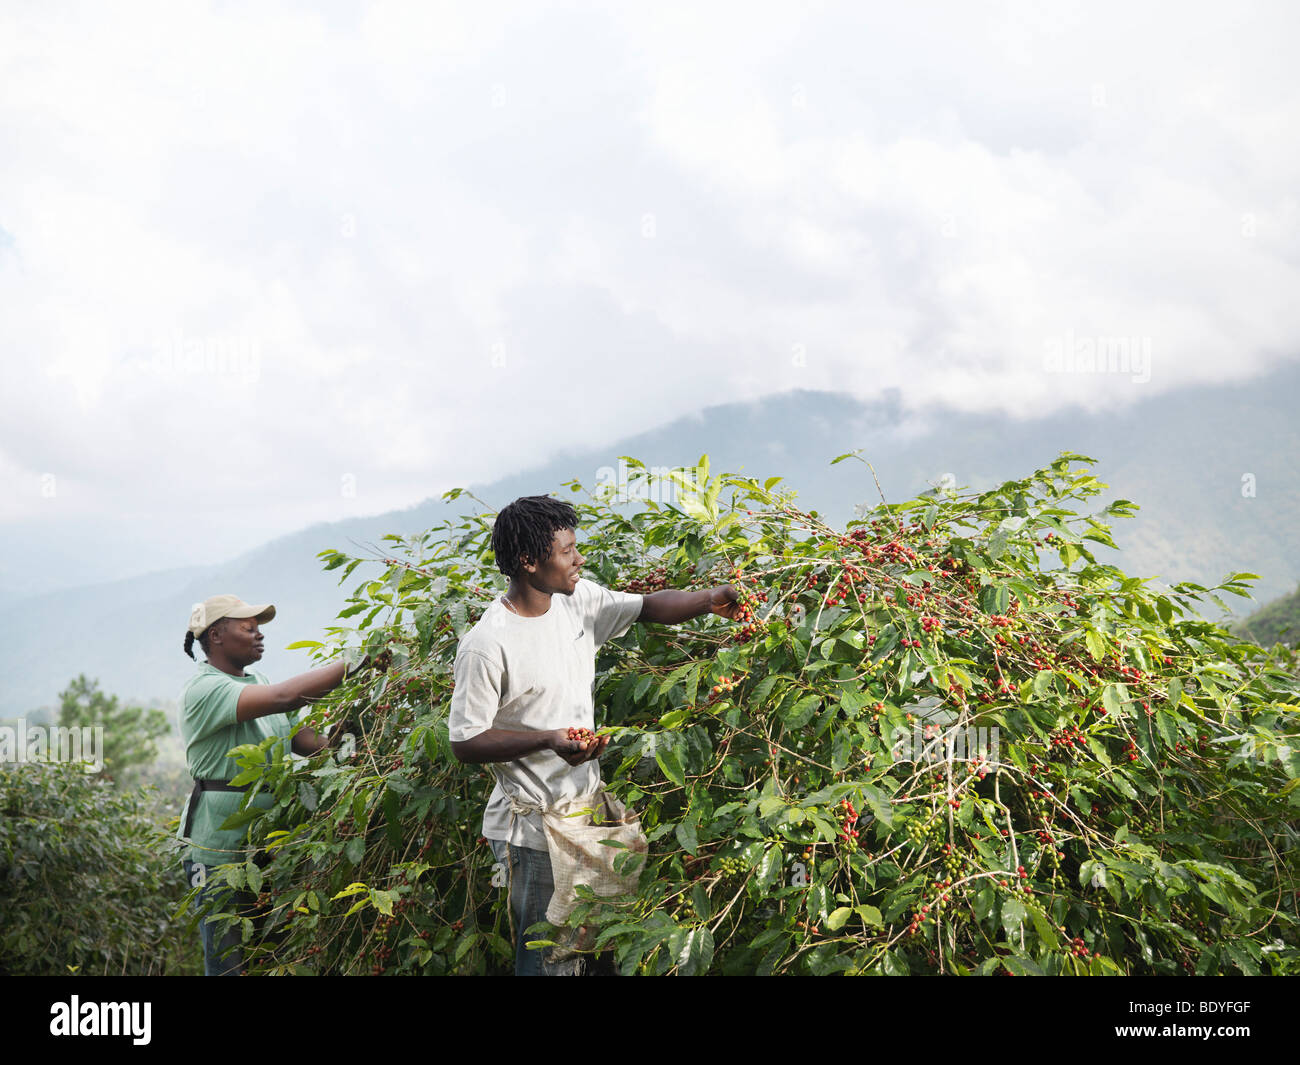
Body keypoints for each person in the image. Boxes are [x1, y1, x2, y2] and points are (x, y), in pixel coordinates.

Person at [449, 496, 740, 975]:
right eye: (567, 551)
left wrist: (707, 600)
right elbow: (465, 741)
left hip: (586, 815)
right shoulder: (487, 643)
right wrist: (549, 739)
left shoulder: (576, 601)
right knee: (548, 960)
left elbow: (648, 607)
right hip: (533, 830)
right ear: (529, 561)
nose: (579, 559)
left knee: (598, 951)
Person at [178, 593, 369, 975]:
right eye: (249, 628)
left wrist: (353, 727)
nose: (259, 635)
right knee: (229, 962)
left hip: (271, 847)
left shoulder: (258, 681)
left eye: (260, 628)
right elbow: (285, 697)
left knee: (273, 957)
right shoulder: (205, 688)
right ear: (216, 635)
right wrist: (354, 664)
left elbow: (310, 745)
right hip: (219, 853)